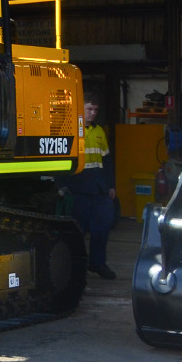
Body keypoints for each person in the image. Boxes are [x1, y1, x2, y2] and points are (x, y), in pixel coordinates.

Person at [69, 91, 117, 279]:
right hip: (78, 189)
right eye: (89, 109)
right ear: (81, 109)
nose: (93, 113)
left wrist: (111, 185)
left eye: (95, 110)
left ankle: (97, 264)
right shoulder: (71, 129)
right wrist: (62, 186)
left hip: (99, 188)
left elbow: (106, 160)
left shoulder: (99, 132)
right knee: (78, 231)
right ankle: (76, 267)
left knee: (102, 229)